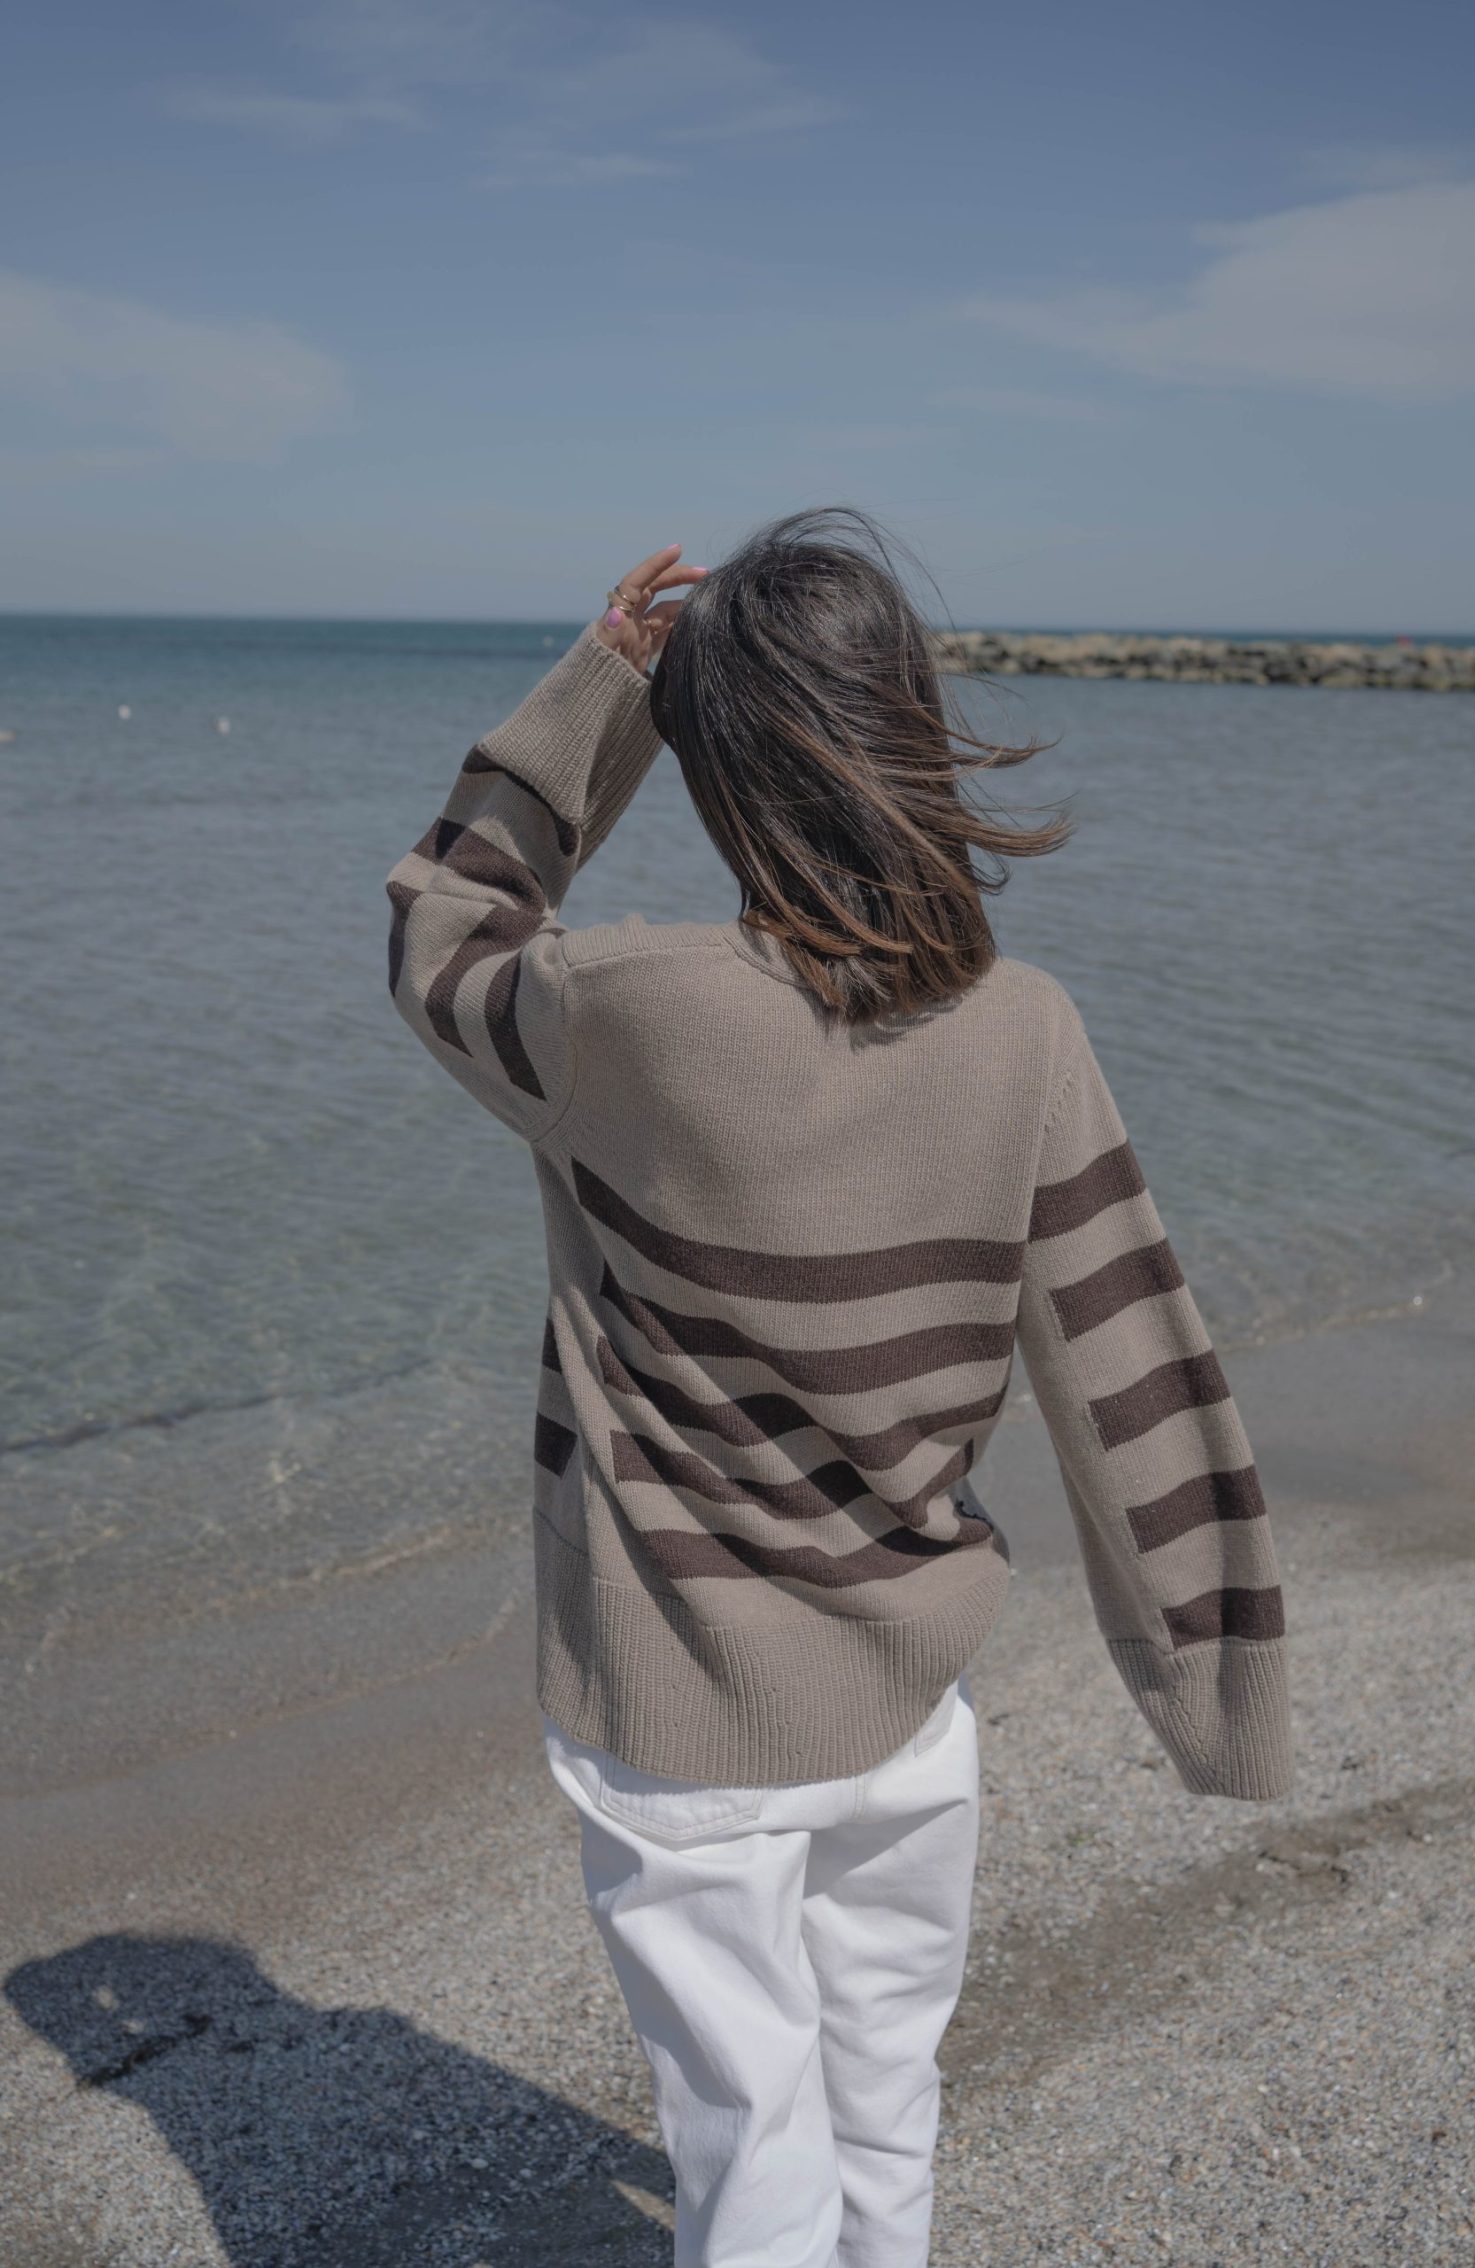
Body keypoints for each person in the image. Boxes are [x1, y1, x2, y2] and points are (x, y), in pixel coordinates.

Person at [385, 509, 1295, 2268]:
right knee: (888, 2110)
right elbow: (1132, 1365)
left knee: (750, 2153)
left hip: (683, 1723)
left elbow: (440, 921)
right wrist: (1214, 1678)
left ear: (719, 765)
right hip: (907, 1710)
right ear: (910, 732)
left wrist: (605, 698)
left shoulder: (619, 1015)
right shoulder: (1025, 1029)